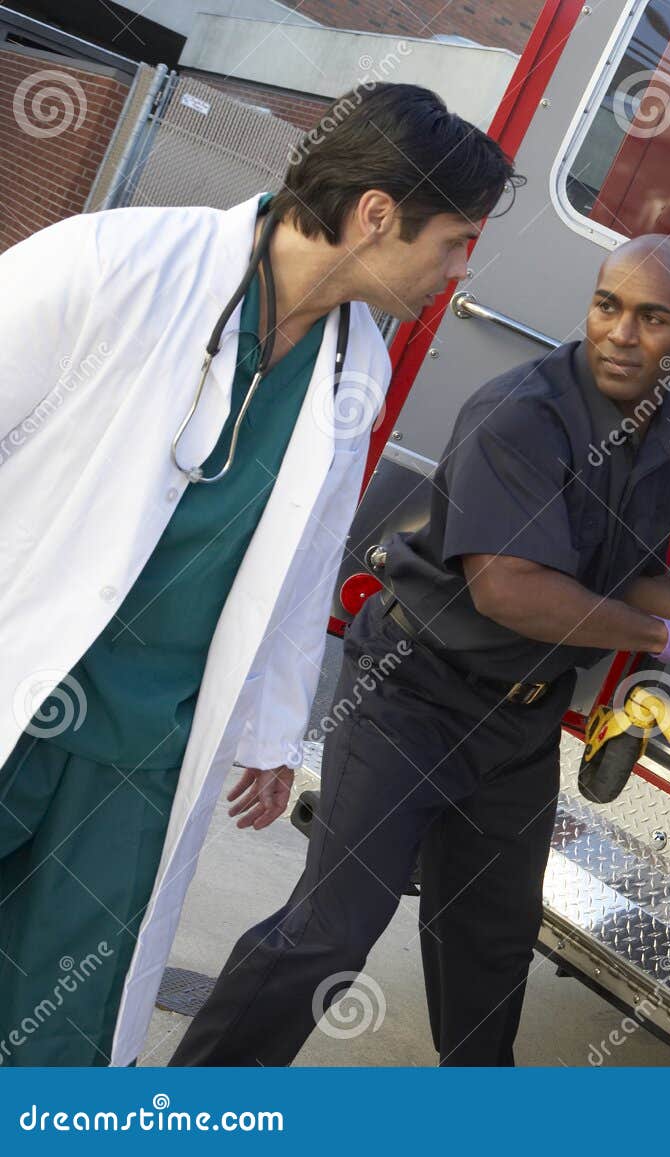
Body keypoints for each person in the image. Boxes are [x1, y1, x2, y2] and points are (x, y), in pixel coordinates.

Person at [0, 83, 512, 1067]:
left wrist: (275, 731)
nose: (457, 269)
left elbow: (301, 562)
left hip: (146, 747)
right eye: (452, 240)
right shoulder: (114, 263)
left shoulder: (352, 367)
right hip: (25, 671)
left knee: (63, 1007)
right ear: (375, 214)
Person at [173, 235, 670, 1067]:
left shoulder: (667, 443)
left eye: (653, 318)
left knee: (492, 952)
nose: (621, 332)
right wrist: (662, 636)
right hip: (415, 696)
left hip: (518, 729)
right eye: (607, 305)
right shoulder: (525, 413)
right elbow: (508, 586)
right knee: (332, 932)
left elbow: (624, 569)